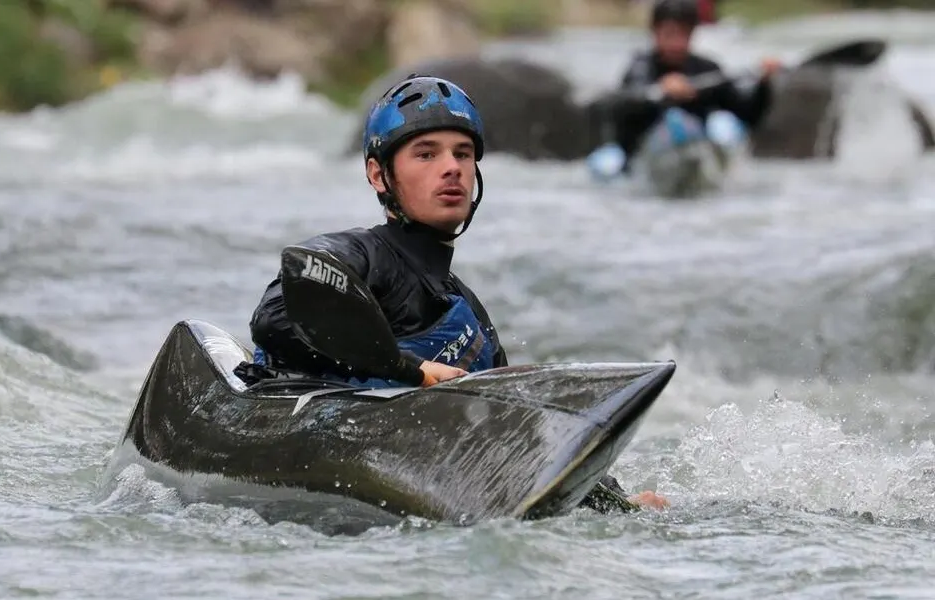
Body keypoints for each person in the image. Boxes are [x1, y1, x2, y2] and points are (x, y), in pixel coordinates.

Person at [247, 74, 669, 511]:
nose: (451, 168)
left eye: (463, 154)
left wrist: (615, 502)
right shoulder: (360, 254)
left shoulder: (468, 317)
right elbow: (276, 318)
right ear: (378, 175)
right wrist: (409, 370)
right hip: (315, 457)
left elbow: (517, 426)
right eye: (426, 154)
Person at [611, 0, 781, 166]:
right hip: (646, 154)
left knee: (723, 125)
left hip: (696, 150)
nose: (676, 43)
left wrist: (763, 83)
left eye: (683, 34)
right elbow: (626, 104)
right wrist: (664, 88)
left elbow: (747, 114)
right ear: (655, 32)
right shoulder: (640, 68)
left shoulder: (707, 69)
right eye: (670, 34)